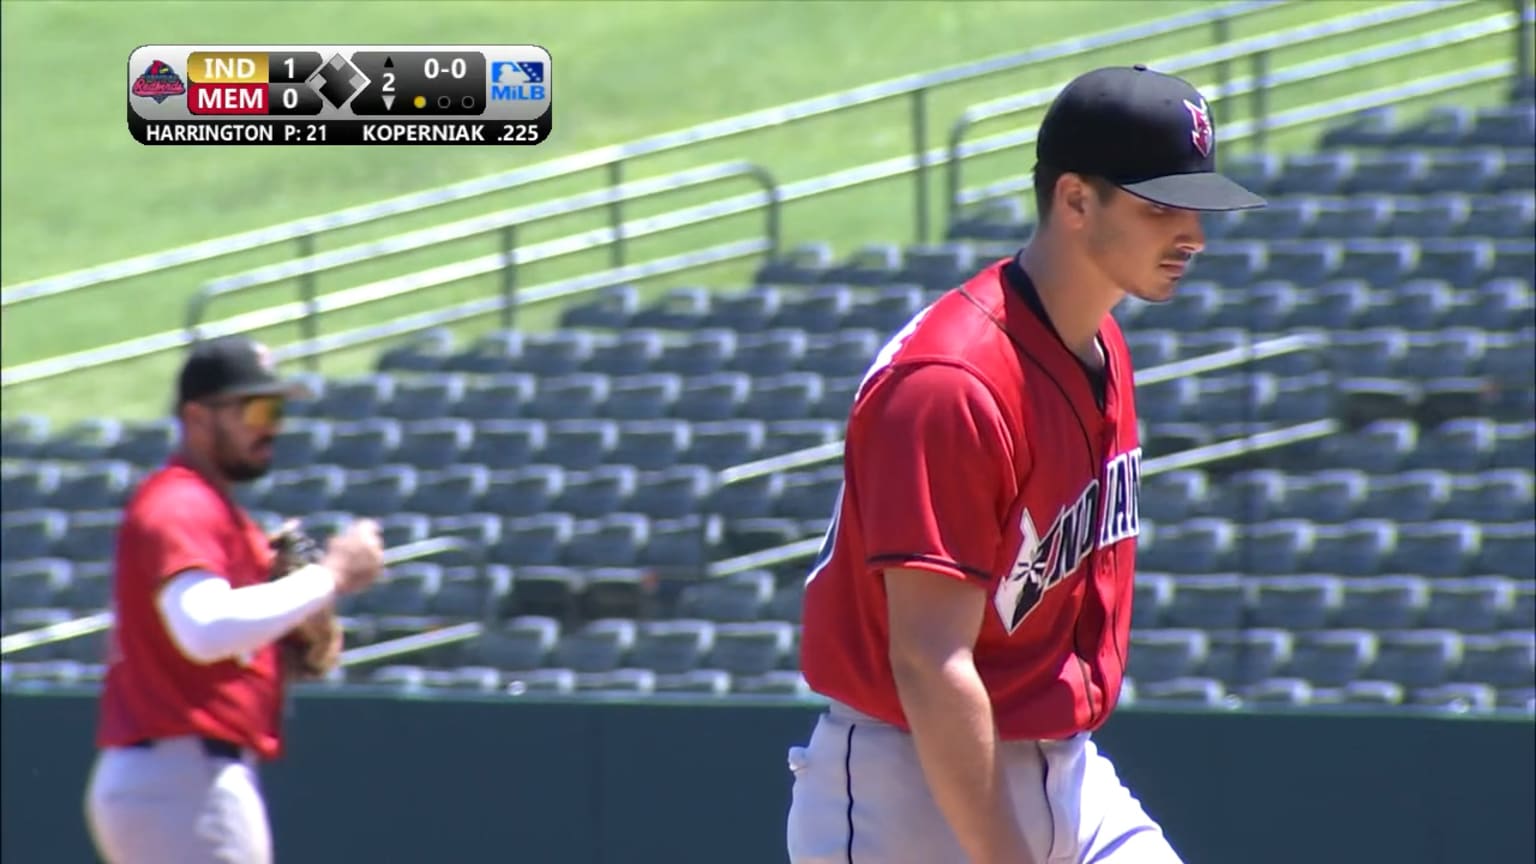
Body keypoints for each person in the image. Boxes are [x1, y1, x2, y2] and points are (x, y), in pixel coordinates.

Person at [786, 65, 1266, 864]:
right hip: (908, 789)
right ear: (1076, 200)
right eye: (1160, 208)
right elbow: (929, 662)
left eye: (1197, 209)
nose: (1192, 235)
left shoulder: (1102, 342)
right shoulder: (951, 383)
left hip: (1067, 772)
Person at [84, 335, 384, 864]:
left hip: (176, 777)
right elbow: (203, 629)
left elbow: (227, 645)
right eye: (255, 408)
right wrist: (330, 576)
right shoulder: (179, 503)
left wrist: (290, 632)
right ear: (197, 417)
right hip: (181, 777)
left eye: (277, 409)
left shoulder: (224, 519)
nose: (270, 425)